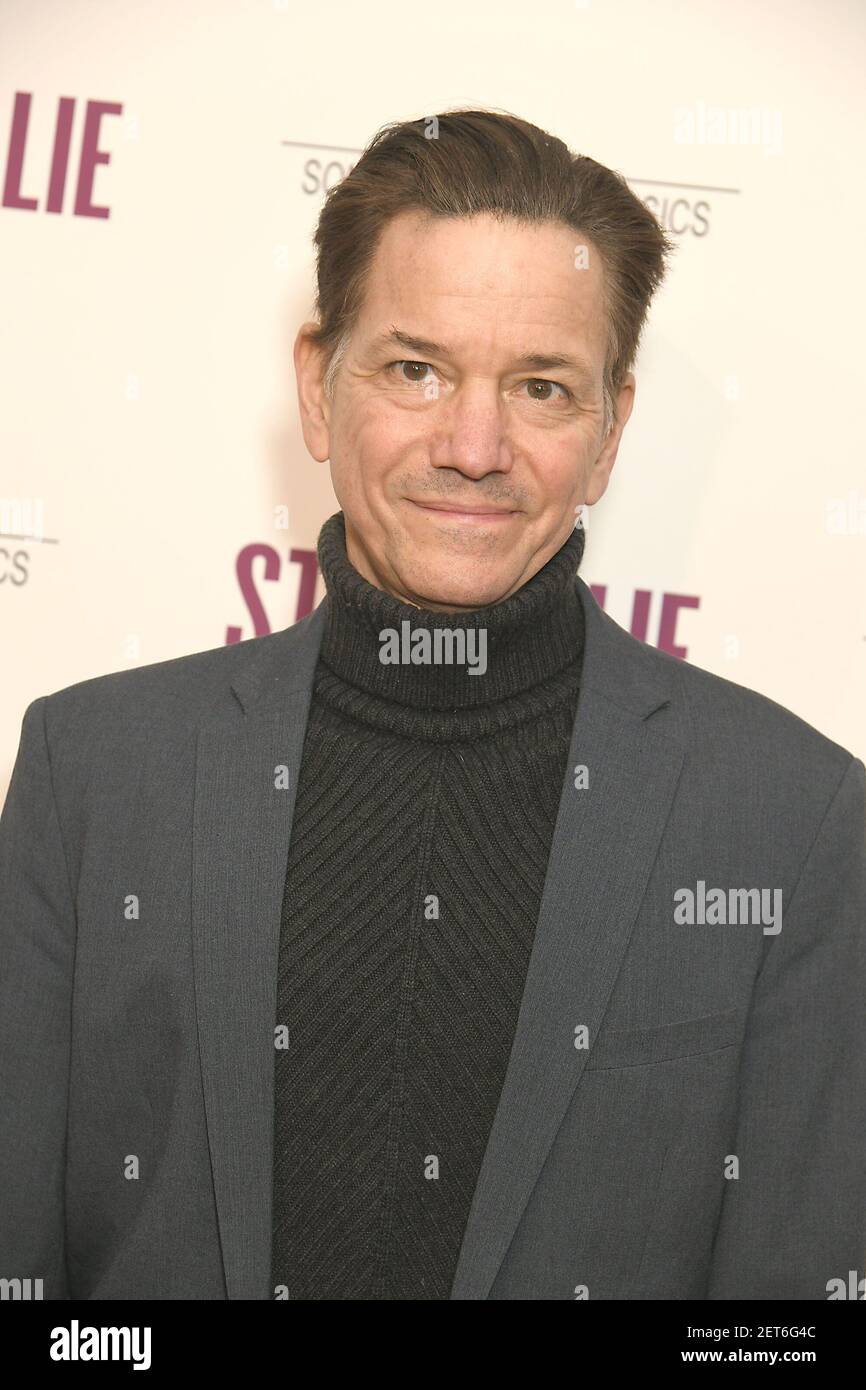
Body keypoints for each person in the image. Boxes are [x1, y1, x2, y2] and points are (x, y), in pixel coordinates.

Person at [1, 109, 863, 1301]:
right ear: (317, 387)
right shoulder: (89, 770)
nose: (472, 444)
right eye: (415, 369)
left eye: (542, 388)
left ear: (609, 431)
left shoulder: (791, 818)